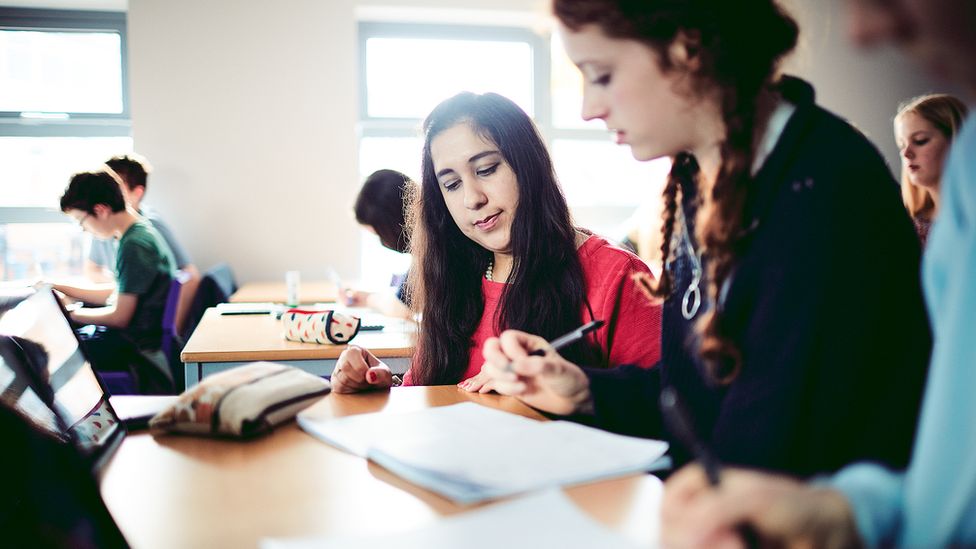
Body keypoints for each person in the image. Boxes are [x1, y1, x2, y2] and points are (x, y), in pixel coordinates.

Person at [480, 0, 930, 478]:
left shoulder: (825, 186)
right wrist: (588, 391)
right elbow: (702, 396)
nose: (590, 108)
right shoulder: (702, 180)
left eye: (602, 75)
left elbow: (782, 446)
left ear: (687, 49)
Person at [661, 0, 976, 547]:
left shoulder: (828, 187)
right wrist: (847, 512)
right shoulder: (972, 170)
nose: (863, 31)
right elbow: (948, 468)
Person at [330, 92, 662, 393]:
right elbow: (430, 392)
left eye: (487, 169)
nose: (472, 199)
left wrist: (564, 391)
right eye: (452, 184)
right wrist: (386, 390)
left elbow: (669, 413)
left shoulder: (619, 276)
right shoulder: (453, 277)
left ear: (529, 166)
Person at [56, 169, 176, 393]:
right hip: (134, 341)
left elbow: (120, 317)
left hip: (134, 348)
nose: (83, 229)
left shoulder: (135, 244)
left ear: (100, 210)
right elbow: (120, 292)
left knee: (45, 351)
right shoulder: (138, 232)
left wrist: (67, 314)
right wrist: (60, 287)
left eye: (80, 221)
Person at [81, 154, 200, 335]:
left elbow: (190, 275)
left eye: (116, 187)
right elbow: (92, 270)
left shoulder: (143, 233)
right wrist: (122, 286)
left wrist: (172, 333)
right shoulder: (102, 227)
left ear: (137, 193)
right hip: (125, 301)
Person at [894, 93, 968, 245]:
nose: (906, 153)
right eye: (902, 145)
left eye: (920, 141)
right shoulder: (906, 225)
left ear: (956, 142)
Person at [342, 169, 416, 320]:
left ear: (391, 225)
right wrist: (367, 298)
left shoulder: (431, 248)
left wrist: (369, 299)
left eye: (379, 235)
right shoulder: (436, 229)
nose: (383, 243)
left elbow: (402, 309)